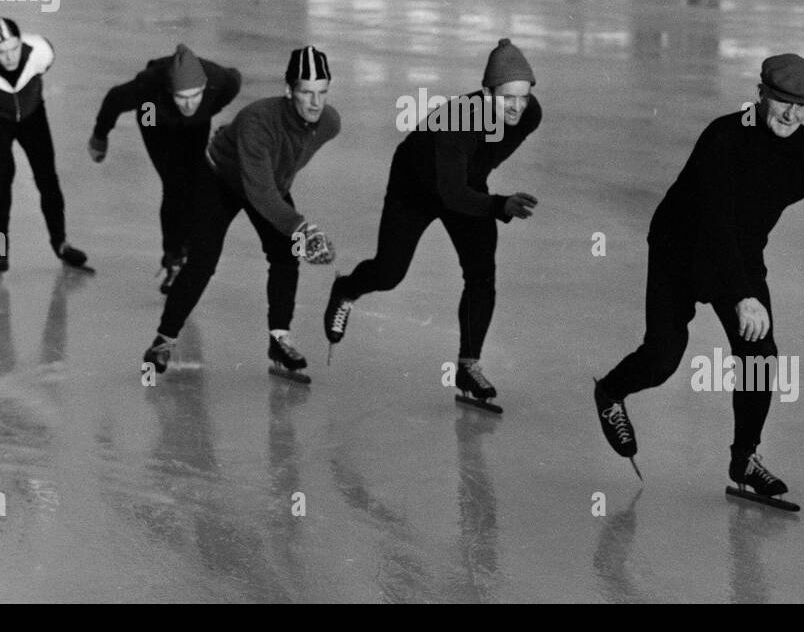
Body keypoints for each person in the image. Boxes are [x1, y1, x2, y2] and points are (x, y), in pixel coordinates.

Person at [594, 54, 804, 504]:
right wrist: (741, 294)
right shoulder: (724, 136)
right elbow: (717, 219)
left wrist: (743, 279)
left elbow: (752, 219)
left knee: (759, 353)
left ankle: (745, 458)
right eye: (784, 102)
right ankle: (610, 392)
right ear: (761, 93)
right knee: (663, 358)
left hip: (737, 254)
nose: (793, 115)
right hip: (679, 250)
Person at [322, 39, 542, 407]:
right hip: (416, 186)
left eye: (523, 96)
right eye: (508, 98)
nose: (518, 107)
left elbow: (480, 162)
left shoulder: (530, 115)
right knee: (390, 272)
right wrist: (498, 204)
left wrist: (482, 193)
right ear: (487, 94)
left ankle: (468, 366)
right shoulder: (458, 122)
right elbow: (453, 195)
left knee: (481, 274)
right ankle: (346, 289)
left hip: (462, 183)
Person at [142, 47, 341, 377]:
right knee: (203, 261)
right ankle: (163, 339)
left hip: (267, 179)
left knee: (284, 254)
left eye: (322, 93)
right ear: (289, 91)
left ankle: (279, 340)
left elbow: (271, 182)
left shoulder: (329, 124)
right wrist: (302, 228)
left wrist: (294, 231)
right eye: (306, 92)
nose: (315, 103)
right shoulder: (258, 121)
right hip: (221, 177)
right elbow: (259, 192)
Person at [89, 44, 242, 293]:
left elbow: (232, 83)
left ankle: (190, 245)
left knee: (196, 178)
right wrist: (99, 137)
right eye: (183, 98)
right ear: (172, 90)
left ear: (205, 88)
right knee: (175, 183)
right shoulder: (148, 86)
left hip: (195, 124)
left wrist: (208, 109)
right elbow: (115, 98)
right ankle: (174, 258)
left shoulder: (219, 81)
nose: (189, 103)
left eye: (195, 96)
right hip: (154, 117)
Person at [0, 17, 90, 273]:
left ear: (21, 41)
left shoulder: (40, 50)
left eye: (14, 49)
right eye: (1, 52)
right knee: (3, 173)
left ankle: (61, 243)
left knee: (47, 176)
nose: (10, 57)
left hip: (32, 113)